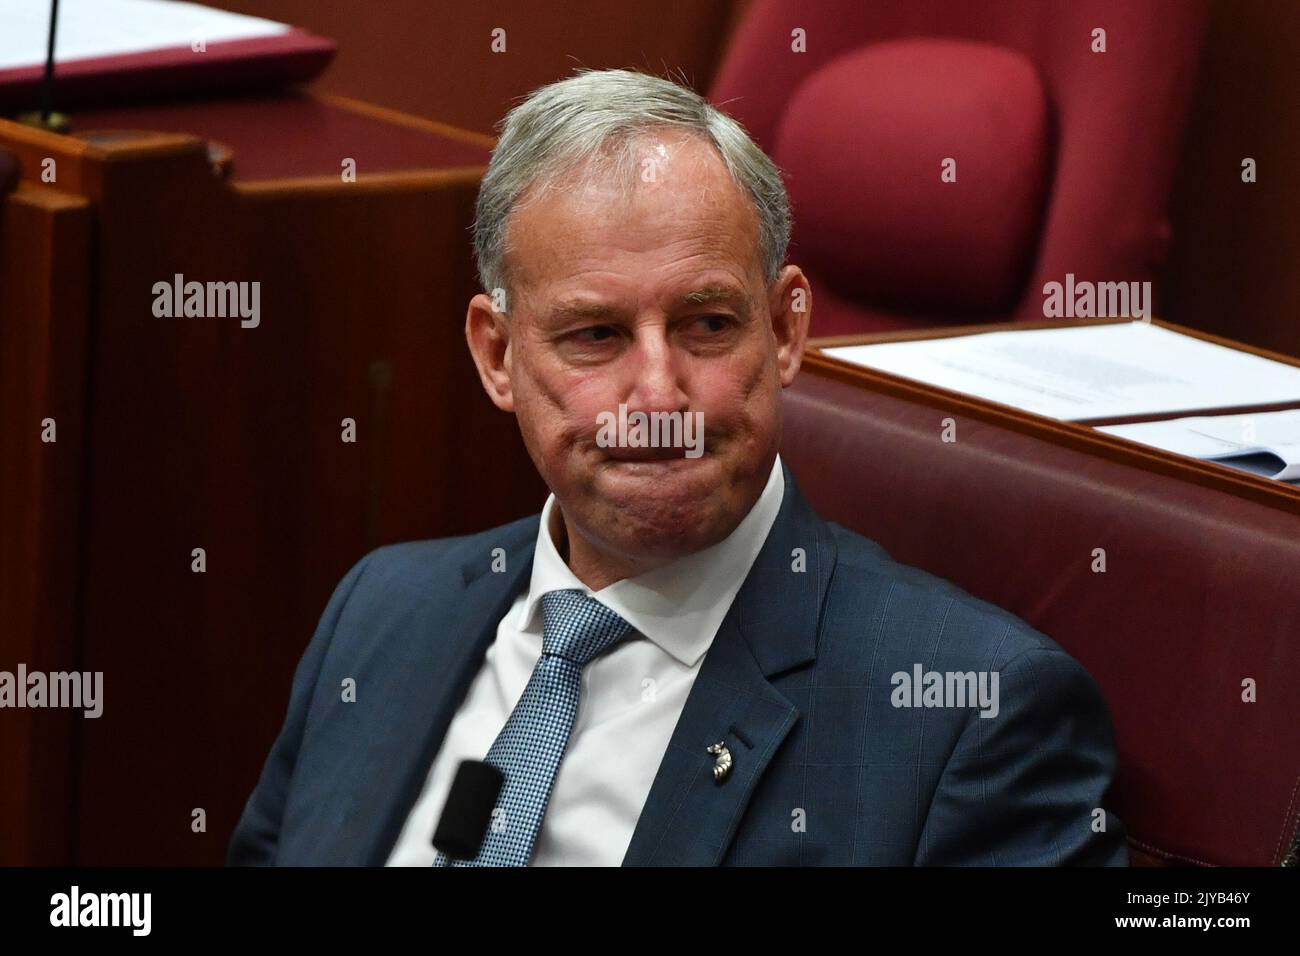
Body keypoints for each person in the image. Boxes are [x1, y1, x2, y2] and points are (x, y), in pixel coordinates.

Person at [228, 68, 1127, 866]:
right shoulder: (382, 612)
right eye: (596, 336)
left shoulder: (970, 718)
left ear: (785, 330)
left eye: (707, 324)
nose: (658, 397)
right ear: (497, 356)